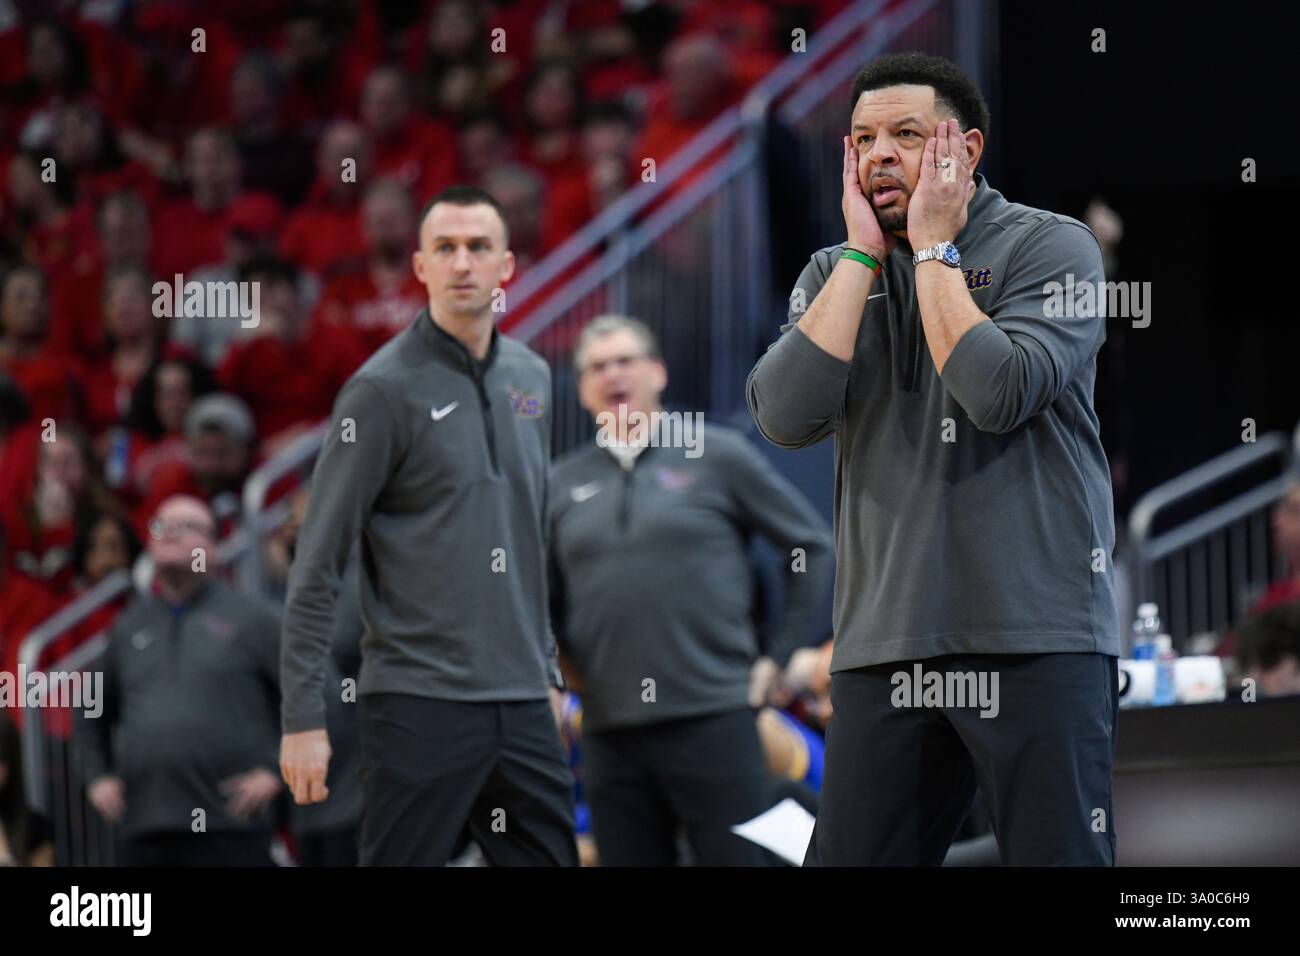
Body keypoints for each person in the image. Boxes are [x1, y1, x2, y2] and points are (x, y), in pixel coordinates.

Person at [747, 53, 1120, 866]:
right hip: (885, 644)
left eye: (906, 135)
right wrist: (860, 257)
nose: (879, 154)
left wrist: (935, 252)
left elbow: (999, 391)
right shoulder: (834, 272)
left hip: (1035, 635)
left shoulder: (1053, 248)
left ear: (967, 149)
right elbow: (781, 416)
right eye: (863, 139)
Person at [279, 185, 577, 866]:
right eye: (445, 249)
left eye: (479, 248)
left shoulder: (533, 376)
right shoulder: (380, 391)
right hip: (419, 701)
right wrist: (301, 717)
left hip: (524, 699)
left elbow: (530, 536)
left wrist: (549, 669)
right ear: (420, 267)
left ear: (507, 266)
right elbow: (317, 561)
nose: (462, 263)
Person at [548, 314, 833, 865]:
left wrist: (777, 658)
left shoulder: (717, 454)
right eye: (597, 367)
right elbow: (537, 600)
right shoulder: (559, 482)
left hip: (717, 719)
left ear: (657, 371)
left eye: (626, 361)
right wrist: (558, 675)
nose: (613, 375)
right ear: (582, 388)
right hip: (610, 733)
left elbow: (811, 547)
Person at [77, 495, 283, 866]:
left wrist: (276, 770)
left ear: (213, 549)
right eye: (160, 527)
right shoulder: (128, 627)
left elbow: (306, 697)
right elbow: (89, 704)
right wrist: (97, 777)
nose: (169, 533)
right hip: (146, 825)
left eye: (185, 526)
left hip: (230, 825)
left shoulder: (252, 620)